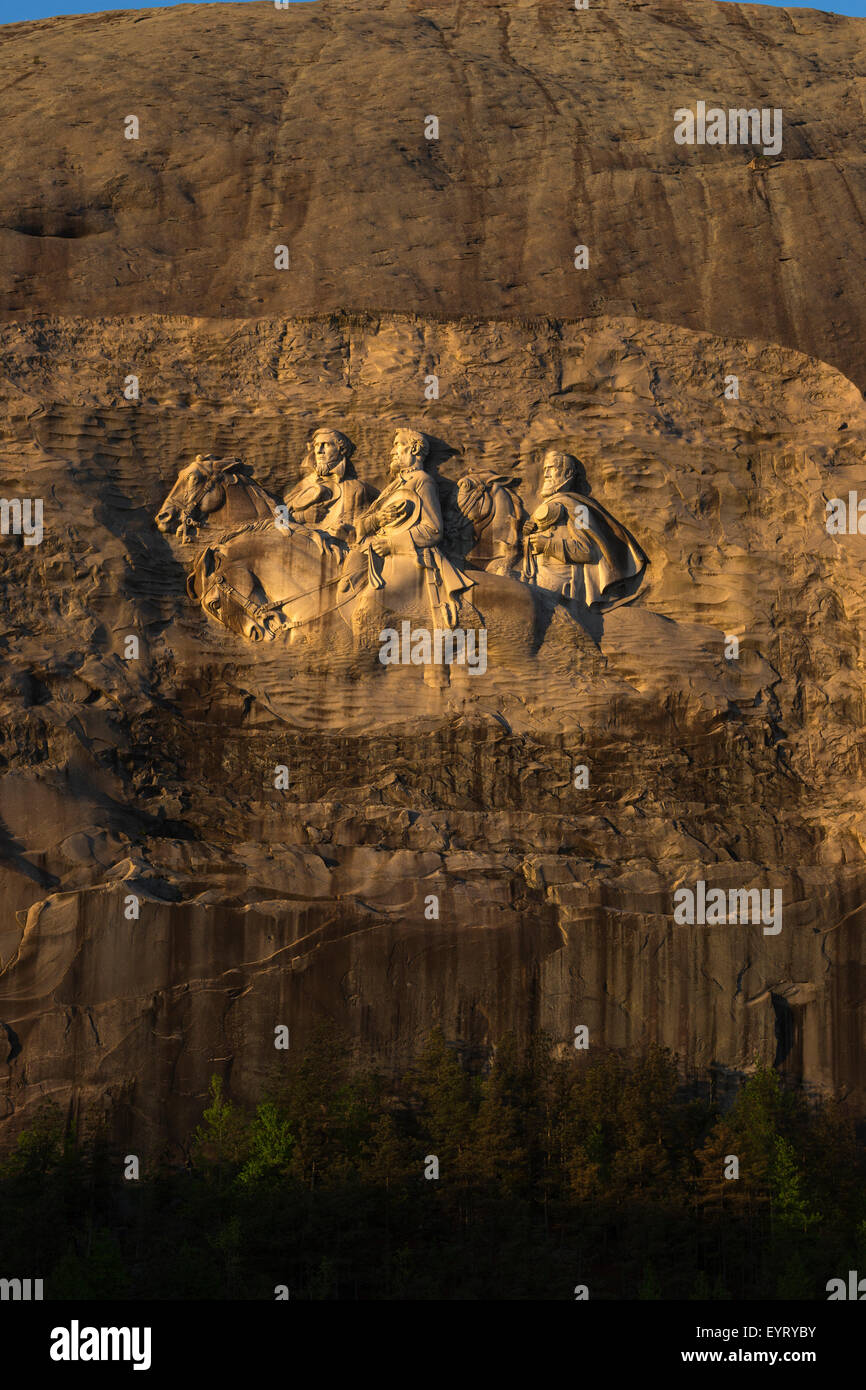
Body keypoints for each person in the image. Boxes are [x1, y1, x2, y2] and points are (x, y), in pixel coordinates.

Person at [523, 449, 648, 607]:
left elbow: (587, 550)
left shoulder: (578, 509)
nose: (546, 474)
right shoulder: (546, 505)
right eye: (545, 469)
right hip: (537, 576)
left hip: (560, 585)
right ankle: (481, 633)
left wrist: (547, 545)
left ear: (568, 473)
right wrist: (528, 535)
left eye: (552, 469)